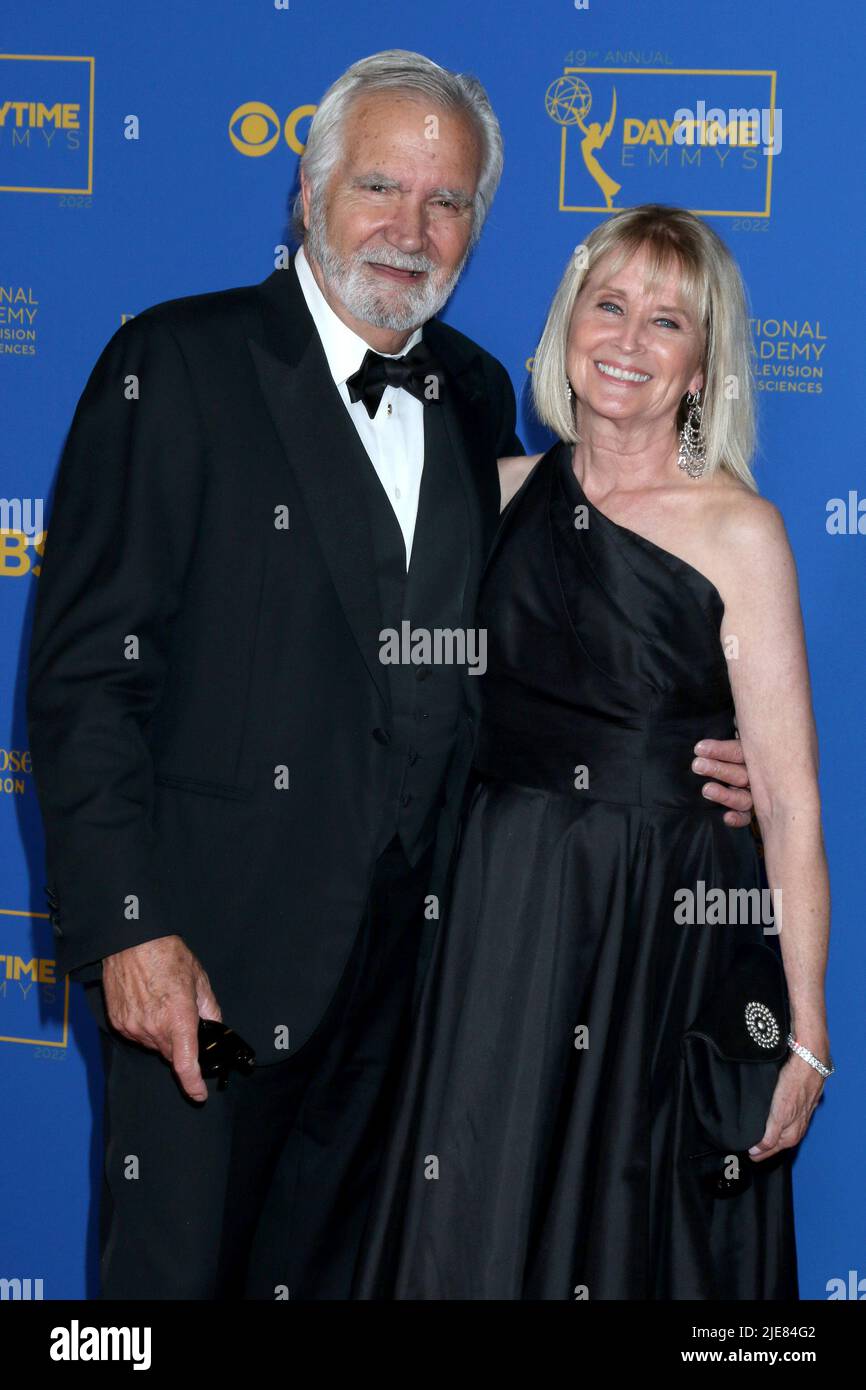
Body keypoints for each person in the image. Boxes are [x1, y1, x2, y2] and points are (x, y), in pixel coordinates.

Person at [27, 49, 753, 1301]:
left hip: (421, 978)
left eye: (447, 200)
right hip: (212, 962)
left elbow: (554, 630)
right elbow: (87, 677)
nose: (409, 229)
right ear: (308, 195)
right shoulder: (176, 366)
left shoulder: (476, 396)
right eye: (380, 186)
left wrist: (683, 759)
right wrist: (132, 929)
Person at [354, 204, 832, 1300]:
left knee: (635, 1225)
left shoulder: (738, 531)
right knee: (477, 1203)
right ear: (566, 321)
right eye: (606, 304)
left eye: (665, 321)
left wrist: (803, 1031)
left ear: (701, 363)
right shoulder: (496, 495)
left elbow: (793, 803)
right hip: (497, 910)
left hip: (663, 925)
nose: (625, 339)